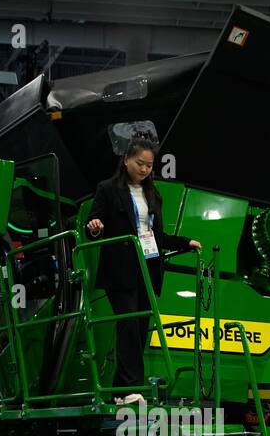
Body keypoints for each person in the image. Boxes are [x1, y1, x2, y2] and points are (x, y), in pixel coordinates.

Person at [85, 136, 202, 403]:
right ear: (125, 160)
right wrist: (94, 227)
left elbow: (155, 234)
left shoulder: (153, 194)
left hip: (147, 268)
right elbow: (93, 224)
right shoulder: (107, 189)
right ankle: (130, 389)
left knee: (139, 327)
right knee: (127, 324)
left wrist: (184, 242)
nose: (144, 169)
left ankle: (118, 390)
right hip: (120, 269)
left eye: (149, 165)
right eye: (140, 163)